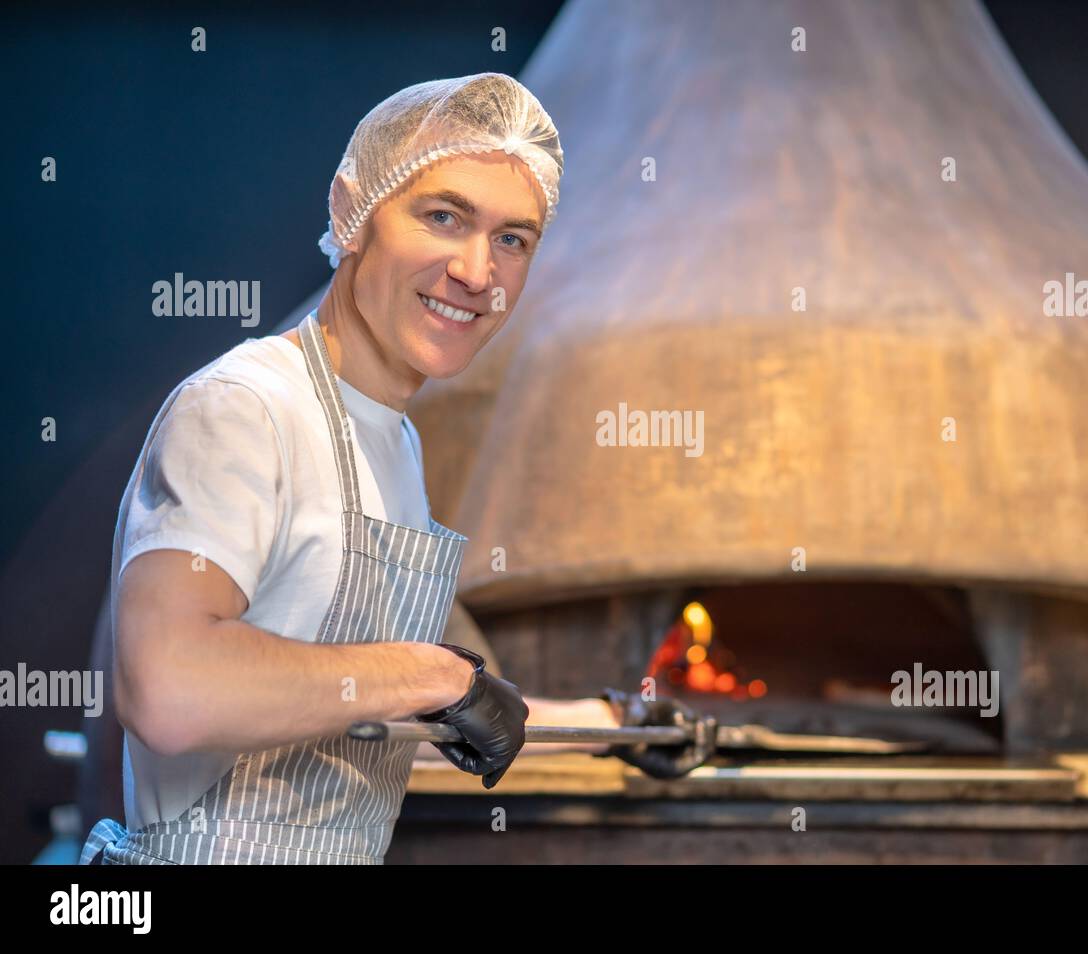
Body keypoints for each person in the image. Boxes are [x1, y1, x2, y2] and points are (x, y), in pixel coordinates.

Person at [79, 73, 715, 866]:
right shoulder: (244, 408)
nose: (478, 273)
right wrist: (432, 673)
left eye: (512, 239)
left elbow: (354, 725)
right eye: (444, 217)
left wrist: (614, 723)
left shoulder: (395, 444)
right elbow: (168, 689)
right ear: (351, 212)